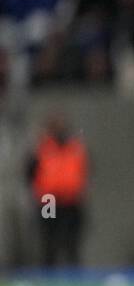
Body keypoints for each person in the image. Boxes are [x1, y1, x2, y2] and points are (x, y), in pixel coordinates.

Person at [26, 112, 89, 267]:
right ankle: (48, 272)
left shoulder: (75, 147)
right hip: (49, 200)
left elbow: (86, 170)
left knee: (71, 241)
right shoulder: (42, 148)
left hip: (71, 200)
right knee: (49, 239)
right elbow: (30, 173)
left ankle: (73, 273)